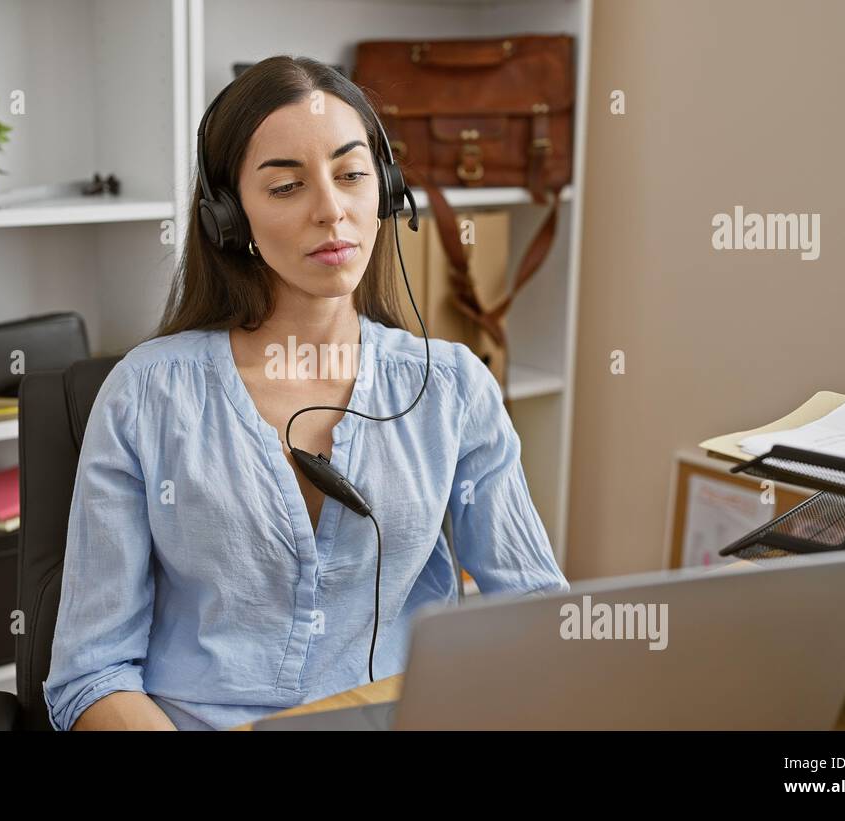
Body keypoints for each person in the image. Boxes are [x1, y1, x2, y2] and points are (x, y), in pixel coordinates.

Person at [43, 56, 568, 731]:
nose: (332, 210)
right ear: (229, 219)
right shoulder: (146, 394)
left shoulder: (453, 387)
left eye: (352, 175)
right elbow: (92, 671)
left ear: (385, 190)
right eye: (287, 186)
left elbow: (535, 612)